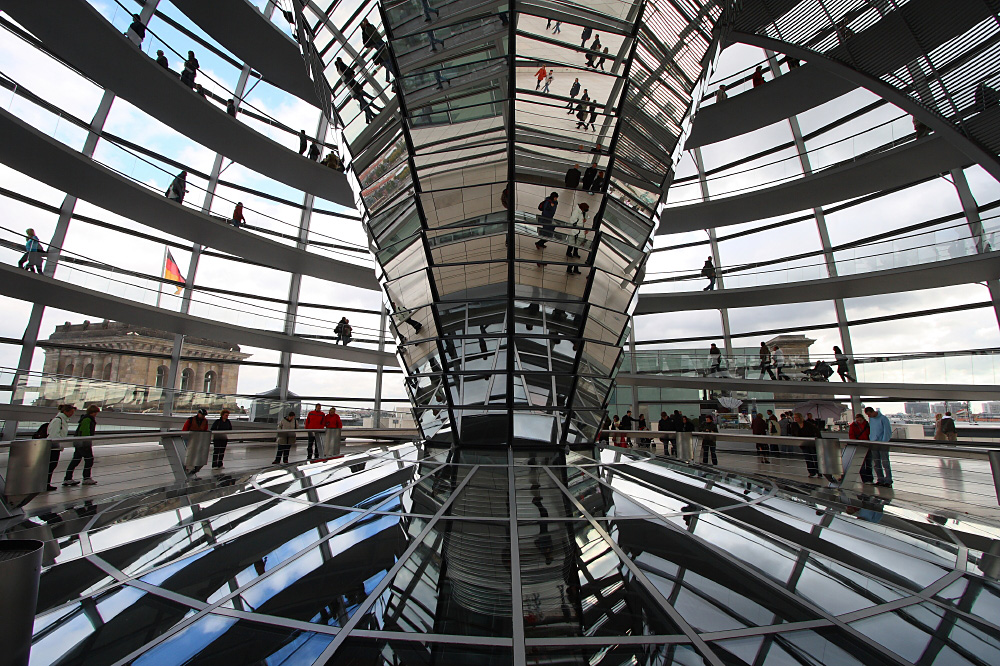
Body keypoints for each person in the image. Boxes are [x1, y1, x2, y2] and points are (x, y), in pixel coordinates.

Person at [63, 405, 99, 486]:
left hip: (79, 443)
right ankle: (86, 478)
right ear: (93, 412)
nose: (96, 414)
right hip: (83, 443)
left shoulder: (86, 418)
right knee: (89, 459)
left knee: (76, 460)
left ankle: (68, 478)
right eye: (96, 412)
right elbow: (85, 432)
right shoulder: (87, 419)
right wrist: (87, 442)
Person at [45, 404, 76, 491]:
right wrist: (60, 443)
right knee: (51, 465)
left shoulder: (62, 420)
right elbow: (54, 435)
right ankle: (46, 484)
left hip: (56, 447)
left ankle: (46, 483)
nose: (72, 414)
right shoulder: (58, 420)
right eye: (71, 412)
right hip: (54, 447)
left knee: (52, 465)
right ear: (65, 411)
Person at [864, 406, 893, 487]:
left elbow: (887, 432)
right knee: (876, 462)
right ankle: (880, 479)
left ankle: (888, 480)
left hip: (882, 443)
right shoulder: (871, 419)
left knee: (885, 462)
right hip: (874, 442)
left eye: (869, 414)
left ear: (872, 412)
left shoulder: (883, 419)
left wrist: (884, 442)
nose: (869, 416)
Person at [788, 412, 821, 477]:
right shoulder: (794, 425)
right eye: (794, 417)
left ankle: (818, 471)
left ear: (800, 417)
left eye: (796, 417)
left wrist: (818, 440)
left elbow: (816, 431)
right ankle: (811, 472)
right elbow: (793, 433)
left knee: (815, 457)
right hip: (803, 443)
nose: (795, 419)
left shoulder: (808, 424)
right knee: (807, 458)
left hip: (811, 443)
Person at [848, 412, 872, 482]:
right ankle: (865, 479)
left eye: (860, 420)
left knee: (868, 462)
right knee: (863, 463)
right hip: (861, 444)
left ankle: (869, 478)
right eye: (858, 420)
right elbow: (851, 435)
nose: (859, 422)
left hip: (866, 444)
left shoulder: (866, 425)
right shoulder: (854, 425)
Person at [566, 202, 588, 269]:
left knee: (577, 242)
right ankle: (569, 252)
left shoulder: (583, 212)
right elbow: (572, 220)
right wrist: (577, 224)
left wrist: (584, 220)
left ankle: (575, 252)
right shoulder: (576, 212)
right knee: (572, 240)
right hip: (576, 229)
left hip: (580, 229)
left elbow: (585, 217)